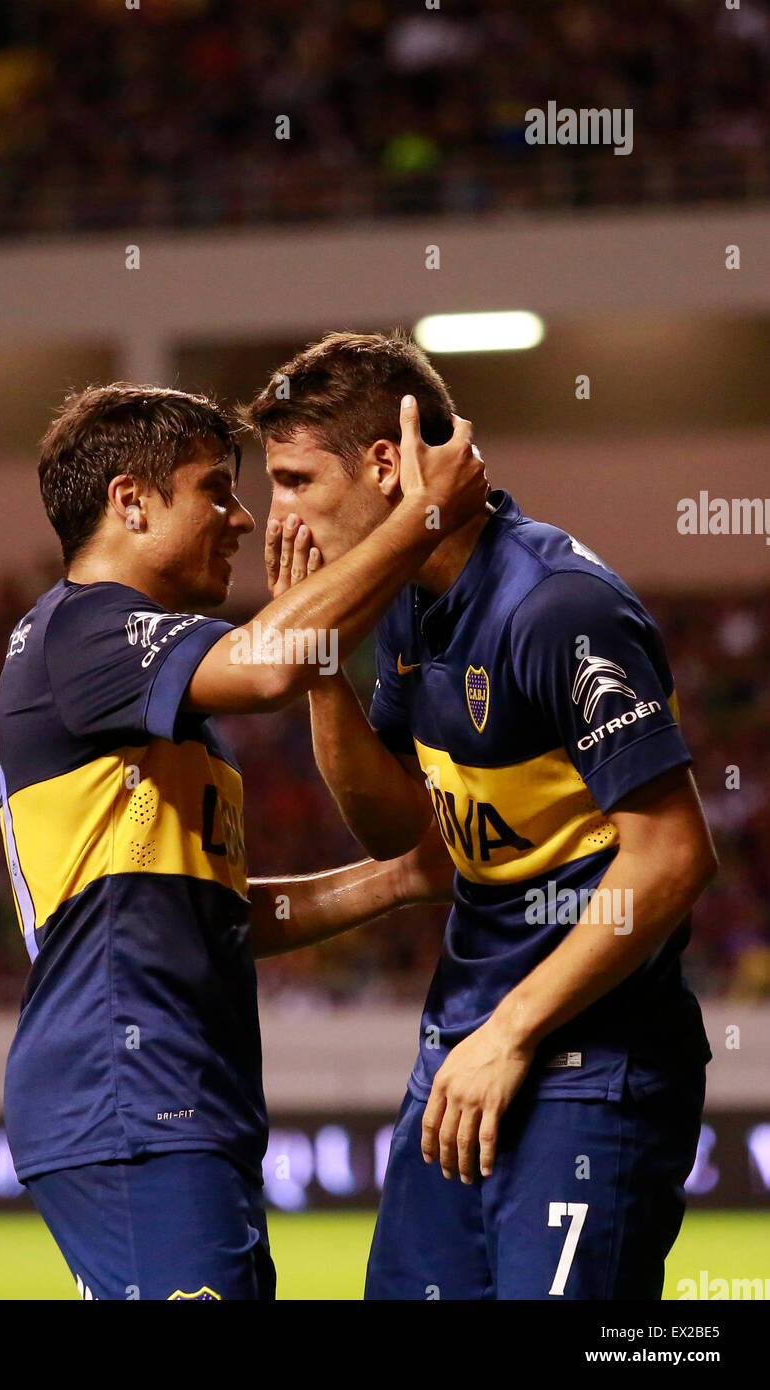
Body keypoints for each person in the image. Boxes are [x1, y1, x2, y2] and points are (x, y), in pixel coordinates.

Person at [241, 330, 717, 1300]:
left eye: (293, 479)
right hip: (460, 1052)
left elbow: (670, 856)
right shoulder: (412, 604)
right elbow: (396, 834)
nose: (273, 514)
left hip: (585, 1063)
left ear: (387, 465)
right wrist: (324, 670)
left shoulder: (554, 605)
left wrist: (509, 1032)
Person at [0, 380, 485, 1300]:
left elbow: (218, 918)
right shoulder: (82, 631)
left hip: (174, 1100)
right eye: (215, 489)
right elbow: (266, 668)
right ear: (129, 503)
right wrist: (418, 519)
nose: (241, 514)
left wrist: (393, 880)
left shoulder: (147, 704)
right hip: (128, 1094)